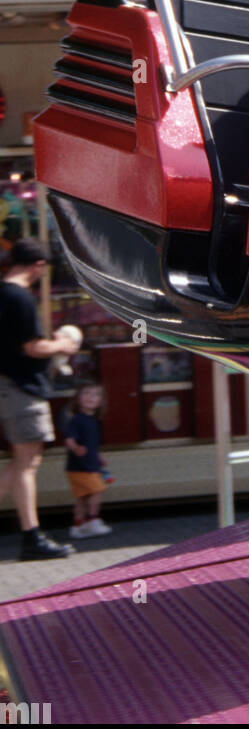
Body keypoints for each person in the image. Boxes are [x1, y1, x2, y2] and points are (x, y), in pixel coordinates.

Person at [0, 238, 81, 560]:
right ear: (38, 266)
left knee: (23, 461)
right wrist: (62, 345)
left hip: (7, 385)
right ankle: (31, 537)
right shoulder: (19, 298)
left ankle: (31, 536)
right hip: (21, 387)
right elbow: (32, 348)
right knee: (26, 463)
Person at [65, 383, 112, 538]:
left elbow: (92, 444)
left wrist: (98, 457)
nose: (91, 397)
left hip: (80, 466)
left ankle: (78, 526)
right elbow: (69, 440)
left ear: (101, 401)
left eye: (96, 394)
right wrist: (76, 448)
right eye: (86, 393)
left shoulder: (91, 421)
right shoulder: (78, 420)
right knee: (98, 490)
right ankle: (92, 521)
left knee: (82, 497)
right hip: (83, 467)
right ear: (78, 399)